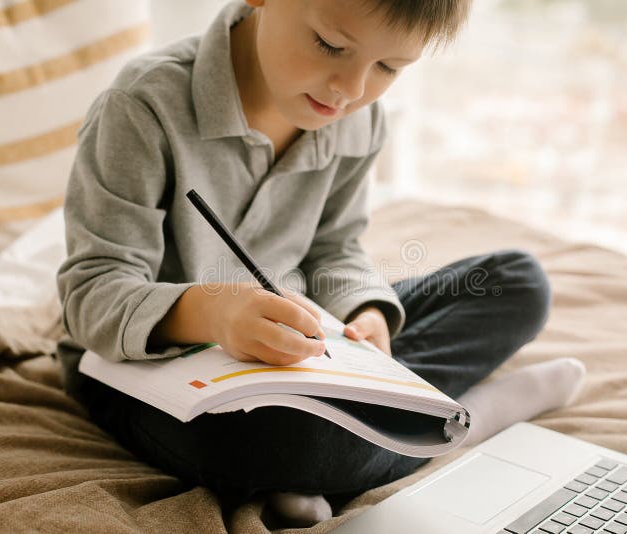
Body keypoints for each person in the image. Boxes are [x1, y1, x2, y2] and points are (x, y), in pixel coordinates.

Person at [57, 0, 586, 526]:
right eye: (331, 45)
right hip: (139, 371)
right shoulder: (143, 105)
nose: (350, 89)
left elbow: (334, 250)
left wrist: (368, 312)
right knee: (283, 446)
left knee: (516, 282)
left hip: (298, 348)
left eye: (388, 68)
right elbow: (94, 292)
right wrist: (214, 312)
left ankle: (361, 440)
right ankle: (460, 420)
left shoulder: (356, 118)